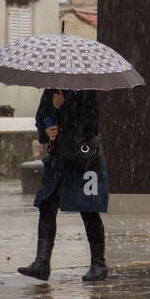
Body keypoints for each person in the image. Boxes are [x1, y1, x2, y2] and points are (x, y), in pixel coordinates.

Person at [18, 87, 110, 281]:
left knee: (88, 209)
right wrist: (47, 128)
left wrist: (64, 106)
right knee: (47, 204)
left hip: (83, 159)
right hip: (59, 157)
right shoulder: (52, 87)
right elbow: (41, 116)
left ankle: (98, 264)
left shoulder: (87, 88)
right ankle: (42, 262)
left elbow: (91, 124)